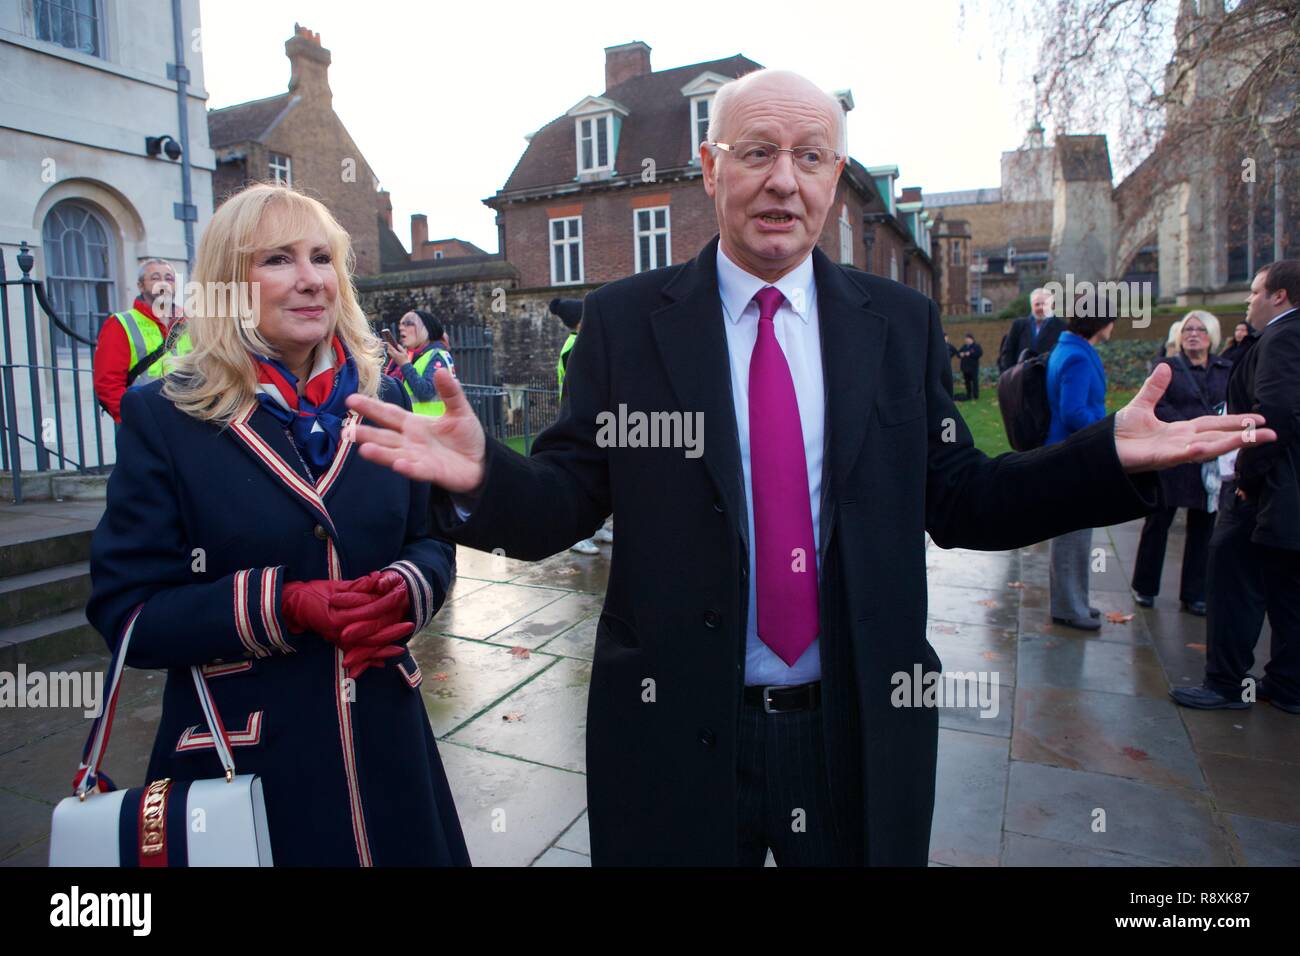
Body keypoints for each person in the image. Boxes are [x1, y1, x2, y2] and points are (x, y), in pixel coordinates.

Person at [347, 70, 1269, 866]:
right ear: (709, 170)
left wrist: (1102, 456)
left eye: (811, 155)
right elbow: (566, 501)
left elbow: (961, 497)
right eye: (756, 152)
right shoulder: (627, 323)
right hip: (677, 732)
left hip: (855, 731)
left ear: (835, 176)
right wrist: (482, 477)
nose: (783, 180)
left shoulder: (893, 324)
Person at [86, 184, 469, 865]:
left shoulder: (380, 399)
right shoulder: (164, 418)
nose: (310, 280)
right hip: (245, 763)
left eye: (322, 258)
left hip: (389, 748)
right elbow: (127, 611)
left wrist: (407, 589)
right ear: (231, 284)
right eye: (279, 260)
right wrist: (282, 604)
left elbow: (432, 540)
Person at [1172, 260, 1300, 714]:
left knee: (1233, 579)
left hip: (1265, 492)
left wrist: (1247, 477)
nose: (1249, 300)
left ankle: (1226, 683)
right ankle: (1288, 685)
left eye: (1255, 291)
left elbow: (1274, 417)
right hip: (1286, 495)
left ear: (1278, 295)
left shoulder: (1283, 337)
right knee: (1286, 587)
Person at [1131, 312, 1232, 615]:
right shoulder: (1169, 368)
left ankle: (1194, 593)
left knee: (1202, 528)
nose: (1193, 334)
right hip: (1173, 455)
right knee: (1157, 522)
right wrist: (1189, 427)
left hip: (1206, 460)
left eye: (1200, 329)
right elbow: (1159, 406)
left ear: (1211, 334)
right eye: (1188, 329)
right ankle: (1145, 586)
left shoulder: (1225, 368)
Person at [1044, 303, 1116, 630]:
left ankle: (1076, 603)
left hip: (1070, 454)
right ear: (1101, 322)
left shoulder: (1070, 347)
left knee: (1075, 536)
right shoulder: (1076, 355)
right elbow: (1073, 411)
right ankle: (1069, 608)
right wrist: (1107, 431)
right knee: (1071, 537)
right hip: (1074, 456)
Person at [93, 259, 192, 424]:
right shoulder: (120, 323)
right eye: (155, 278)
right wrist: (134, 420)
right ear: (140, 286)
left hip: (188, 418)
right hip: (146, 420)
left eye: (169, 278)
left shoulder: (190, 322)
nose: (163, 283)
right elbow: (108, 383)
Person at [550, 297, 608, 554]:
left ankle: (598, 527)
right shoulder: (575, 346)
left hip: (589, 415)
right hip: (580, 417)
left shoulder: (578, 343)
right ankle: (578, 535)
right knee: (586, 476)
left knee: (604, 473)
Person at [385, 309, 454, 416]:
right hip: (411, 425)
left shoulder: (437, 355)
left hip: (431, 427)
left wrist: (404, 365)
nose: (401, 327)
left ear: (425, 329)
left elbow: (426, 392)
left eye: (408, 323)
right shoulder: (409, 355)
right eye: (401, 324)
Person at [998, 287, 1065, 372]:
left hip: (1047, 379)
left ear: (1052, 305)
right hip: (1021, 379)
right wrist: (1008, 377)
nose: (1041, 307)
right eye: (1037, 304)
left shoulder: (1062, 328)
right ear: (1031, 305)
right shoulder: (1018, 326)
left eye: (1044, 304)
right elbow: (1007, 354)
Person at [958, 332, 983, 401]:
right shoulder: (964, 347)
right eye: (966, 339)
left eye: (968, 339)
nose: (966, 340)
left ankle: (975, 396)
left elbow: (980, 353)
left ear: (972, 339)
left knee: (975, 382)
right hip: (965, 368)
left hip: (973, 368)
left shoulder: (976, 346)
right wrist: (961, 354)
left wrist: (970, 354)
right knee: (967, 382)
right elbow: (958, 354)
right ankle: (968, 395)